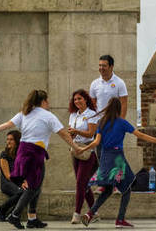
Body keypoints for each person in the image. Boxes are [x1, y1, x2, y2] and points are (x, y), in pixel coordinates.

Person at [0, 89, 74, 230]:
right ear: (43, 101)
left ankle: (32, 218)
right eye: (48, 101)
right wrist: (76, 147)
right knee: (33, 186)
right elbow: (63, 134)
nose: (49, 103)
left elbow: (7, 124)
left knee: (37, 186)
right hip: (34, 154)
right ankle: (15, 215)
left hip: (24, 152)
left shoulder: (25, 113)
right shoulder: (48, 116)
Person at [80, 97, 156, 229]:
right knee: (127, 188)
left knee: (108, 190)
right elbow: (141, 136)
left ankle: (89, 214)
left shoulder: (101, 122)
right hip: (117, 158)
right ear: (119, 109)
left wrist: (83, 148)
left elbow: (96, 142)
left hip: (104, 157)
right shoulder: (121, 122)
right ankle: (120, 220)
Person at [67, 90, 97, 225]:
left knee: (80, 182)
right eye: (75, 100)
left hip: (88, 150)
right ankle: (94, 212)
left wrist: (76, 131)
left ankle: (77, 213)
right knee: (83, 184)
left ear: (86, 99)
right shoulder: (73, 115)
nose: (77, 101)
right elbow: (70, 132)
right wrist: (71, 135)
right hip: (76, 149)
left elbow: (91, 133)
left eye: (79, 99)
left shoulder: (91, 114)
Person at [89, 55, 128, 121]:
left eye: (104, 66)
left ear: (111, 67)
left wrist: (120, 122)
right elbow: (92, 105)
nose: (101, 68)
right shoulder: (94, 83)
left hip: (114, 121)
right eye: (100, 65)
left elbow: (123, 104)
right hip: (99, 122)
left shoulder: (120, 83)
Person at [0, 129, 22, 222]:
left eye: (11, 139)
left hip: (18, 182)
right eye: (7, 139)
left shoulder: (21, 155)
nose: (8, 142)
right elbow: (7, 175)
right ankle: (1, 210)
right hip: (7, 183)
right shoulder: (4, 155)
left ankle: (12, 214)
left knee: (28, 192)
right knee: (21, 192)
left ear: (17, 141)